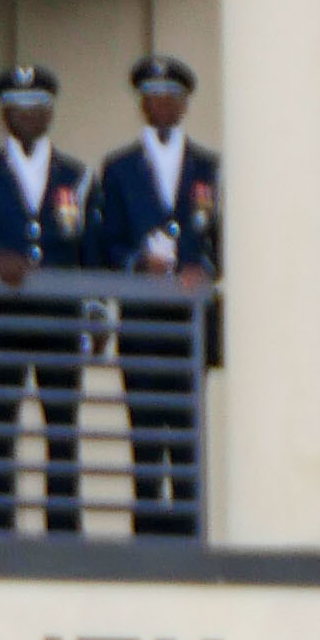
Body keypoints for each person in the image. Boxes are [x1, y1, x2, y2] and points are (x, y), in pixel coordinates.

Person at [86, 51, 218, 540]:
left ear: (185, 106)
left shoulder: (207, 167)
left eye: (171, 97)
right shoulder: (119, 168)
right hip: (141, 318)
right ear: (142, 105)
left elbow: (223, 239)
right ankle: (147, 535)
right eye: (153, 97)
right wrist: (137, 264)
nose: (162, 105)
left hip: (188, 321)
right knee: (143, 434)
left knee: (186, 435)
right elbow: (105, 241)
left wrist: (198, 267)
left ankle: (188, 534)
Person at [0, 62, 93, 534]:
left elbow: (90, 249)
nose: (28, 115)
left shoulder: (75, 176)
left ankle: (63, 530)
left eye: (38, 107)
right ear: (3, 115)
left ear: (50, 114)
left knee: (62, 429)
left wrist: (96, 314)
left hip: (58, 317)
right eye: (18, 107)